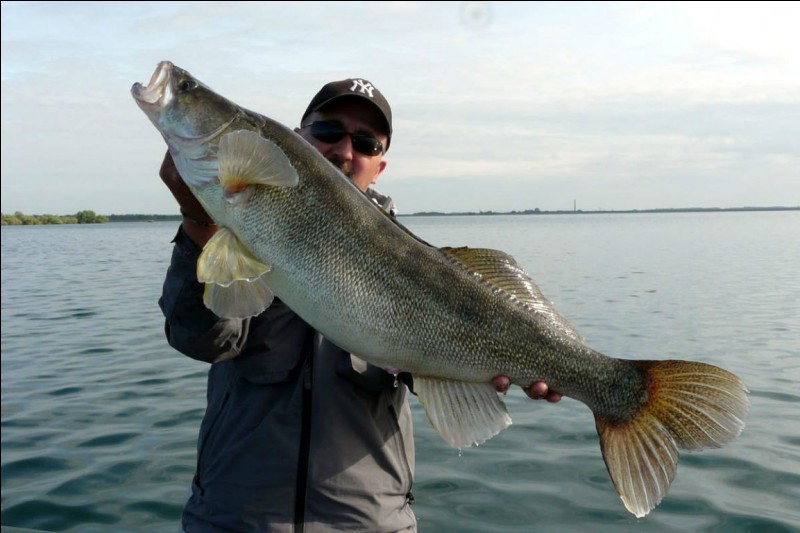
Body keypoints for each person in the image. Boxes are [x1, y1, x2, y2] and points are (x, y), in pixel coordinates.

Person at [158, 77, 561, 533]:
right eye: (328, 131)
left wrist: (519, 365)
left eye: (366, 143)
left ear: (379, 166)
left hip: (369, 522)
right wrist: (198, 223)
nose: (345, 151)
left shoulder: (413, 266)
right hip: (235, 518)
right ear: (297, 138)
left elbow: (433, 375)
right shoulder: (243, 230)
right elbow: (202, 340)